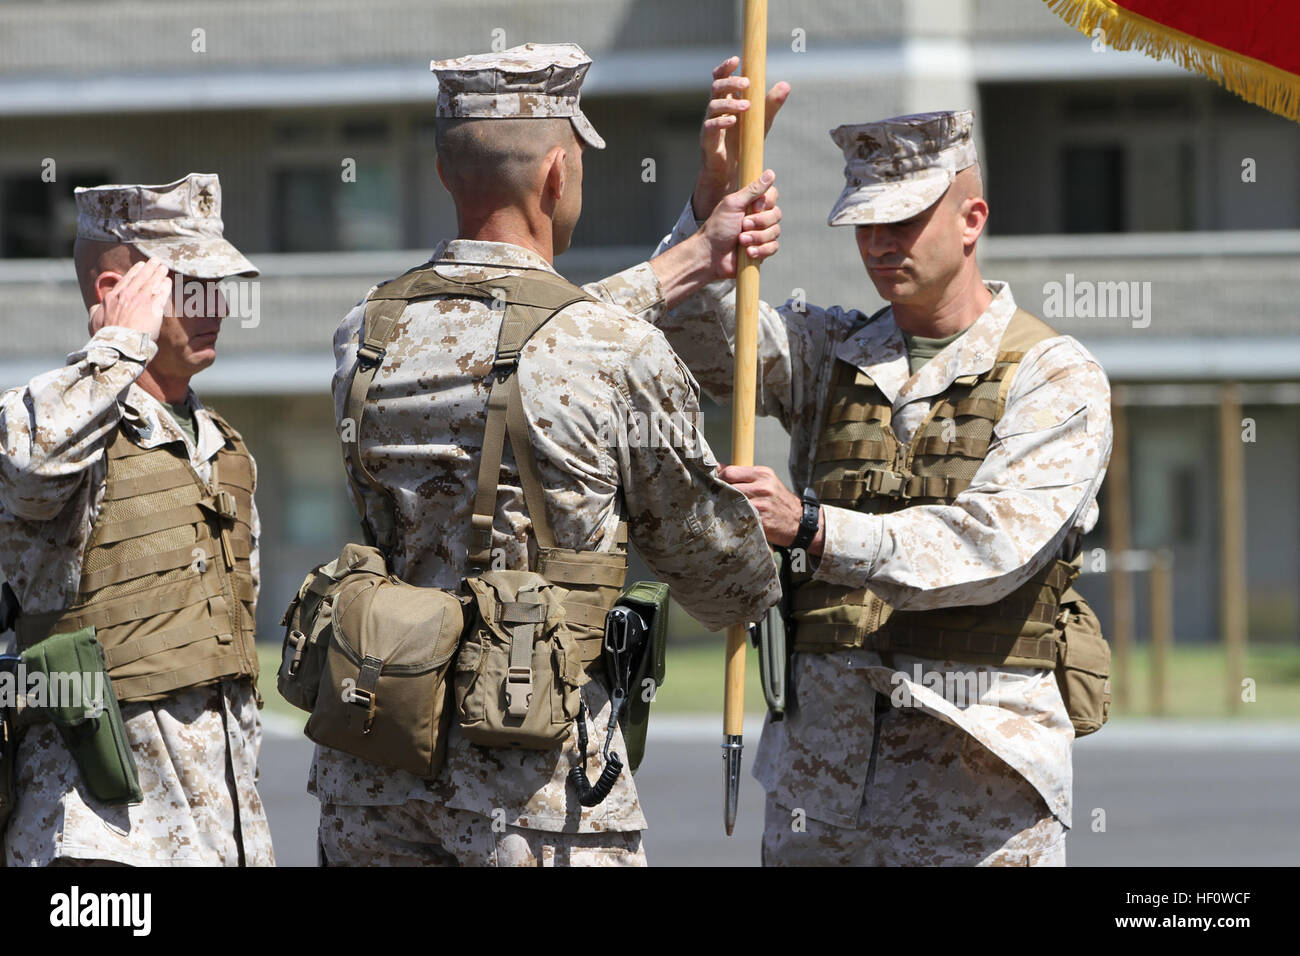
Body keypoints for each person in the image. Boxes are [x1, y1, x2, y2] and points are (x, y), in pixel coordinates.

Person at [313, 42, 783, 867]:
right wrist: (781, 543)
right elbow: (721, 577)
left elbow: (508, 335)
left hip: (373, 776)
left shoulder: (367, 333)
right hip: (537, 797)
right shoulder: (612, 352)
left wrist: (688, 259)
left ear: (445, 173)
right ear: (557, 175)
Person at [649, 59, 1114, 866]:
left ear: (972, 219)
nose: (880, 243)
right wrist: (707, 207)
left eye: (905, 221)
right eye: (865, 222)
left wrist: (815, 529)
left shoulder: (1054, 374)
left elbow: (990, 548)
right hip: (821, 790)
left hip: (978, 786)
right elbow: (694, 343)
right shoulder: (831, 351)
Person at [0, 174, 274, 866]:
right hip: (102, 834)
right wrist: (118, 347)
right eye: (190, 284)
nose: (218, 303)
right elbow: (30, 465)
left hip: (222, 835)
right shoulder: (54, 423)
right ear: (115, 290)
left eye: (221, 283)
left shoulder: (223, 445)